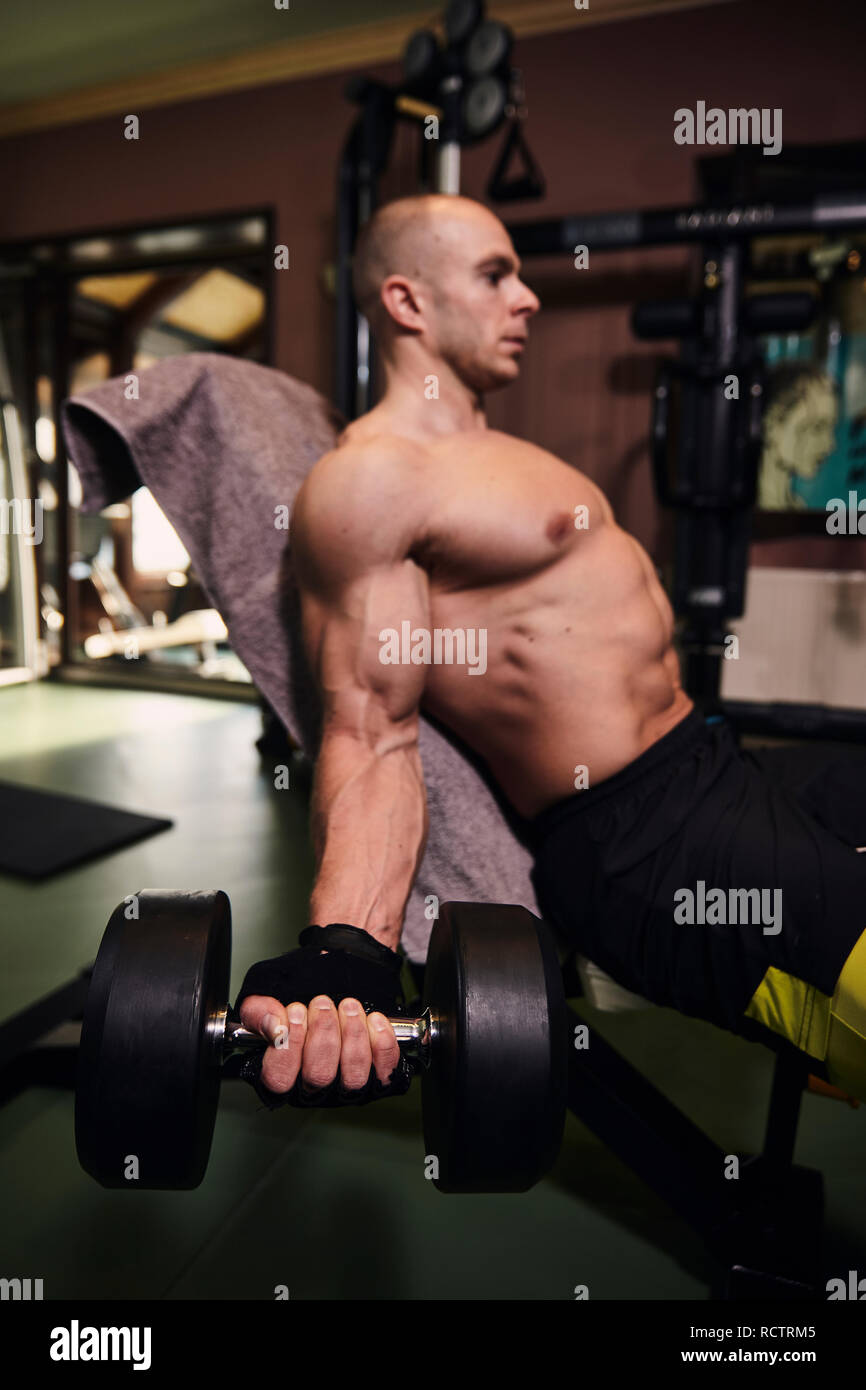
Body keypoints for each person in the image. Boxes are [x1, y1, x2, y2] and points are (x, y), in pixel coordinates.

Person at [236, 195, 866, 1109]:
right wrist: (347, 954)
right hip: (651, 842)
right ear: (407, 303)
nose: (529, 298)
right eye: (496, 275)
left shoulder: (498, 453)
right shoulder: (372, 479)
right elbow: (371, 730)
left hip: (718, 766)